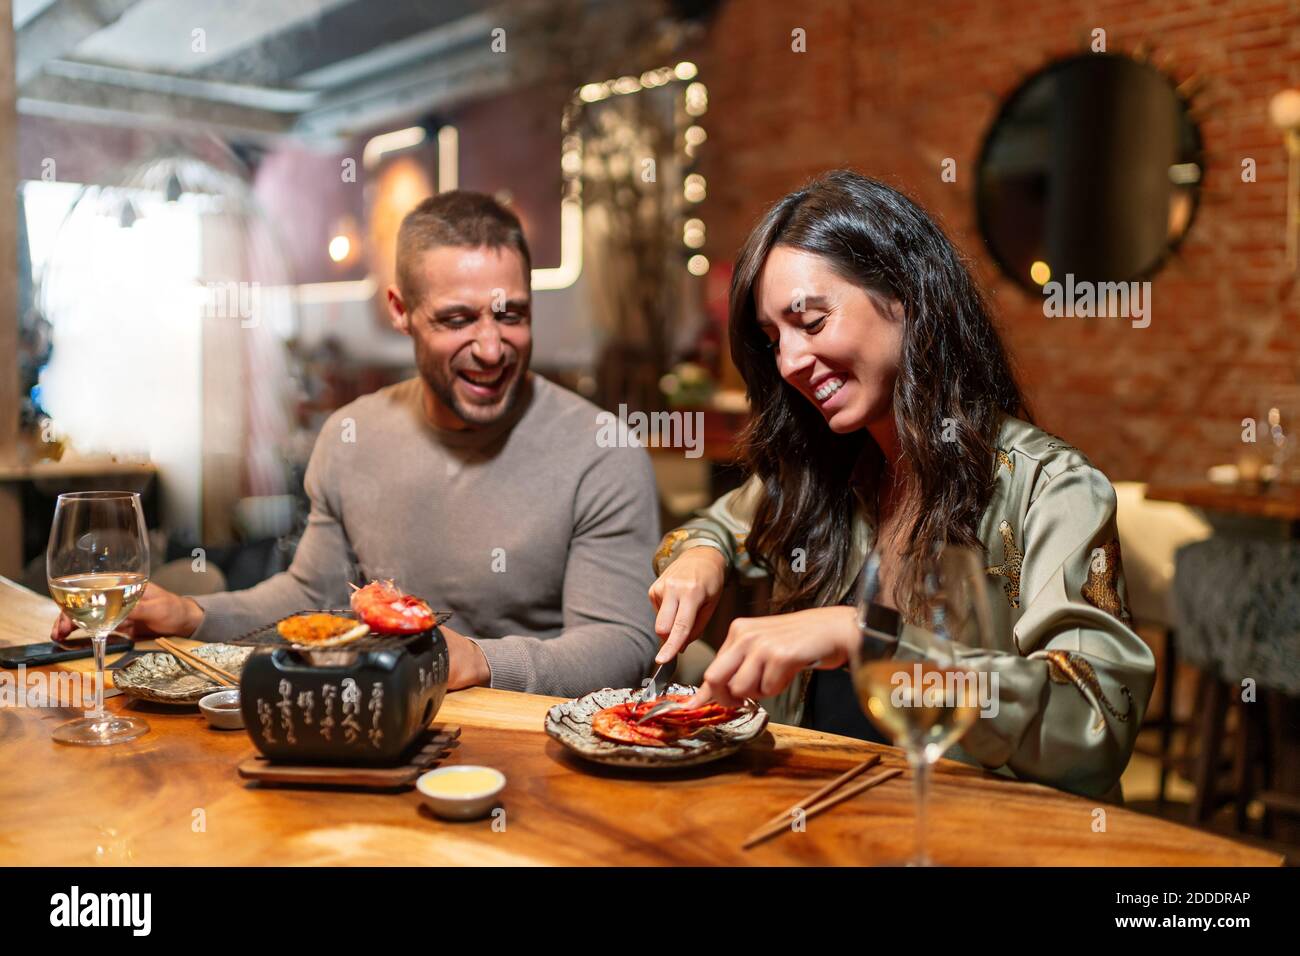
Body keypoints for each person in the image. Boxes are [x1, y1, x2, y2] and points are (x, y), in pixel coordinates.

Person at [648, 171, 1154, 799]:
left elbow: (1096, 719)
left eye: (811, 321)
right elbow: (717, 525)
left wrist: (869, 640)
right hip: (829, 822)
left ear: (906, 294)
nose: (788, 363)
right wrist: (701, 555)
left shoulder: (1049, 489)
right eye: (773, 339)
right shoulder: (830, 467)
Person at [53, 191, 660, 698]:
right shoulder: (350, 436)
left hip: (536, 751)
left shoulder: (600, 451)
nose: (492, 347)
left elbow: (620, 645)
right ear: (400, 310)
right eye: (456, 320)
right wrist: (196, 616)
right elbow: (311, 595)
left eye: (512, 315)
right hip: (374, 733)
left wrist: (479, 660)